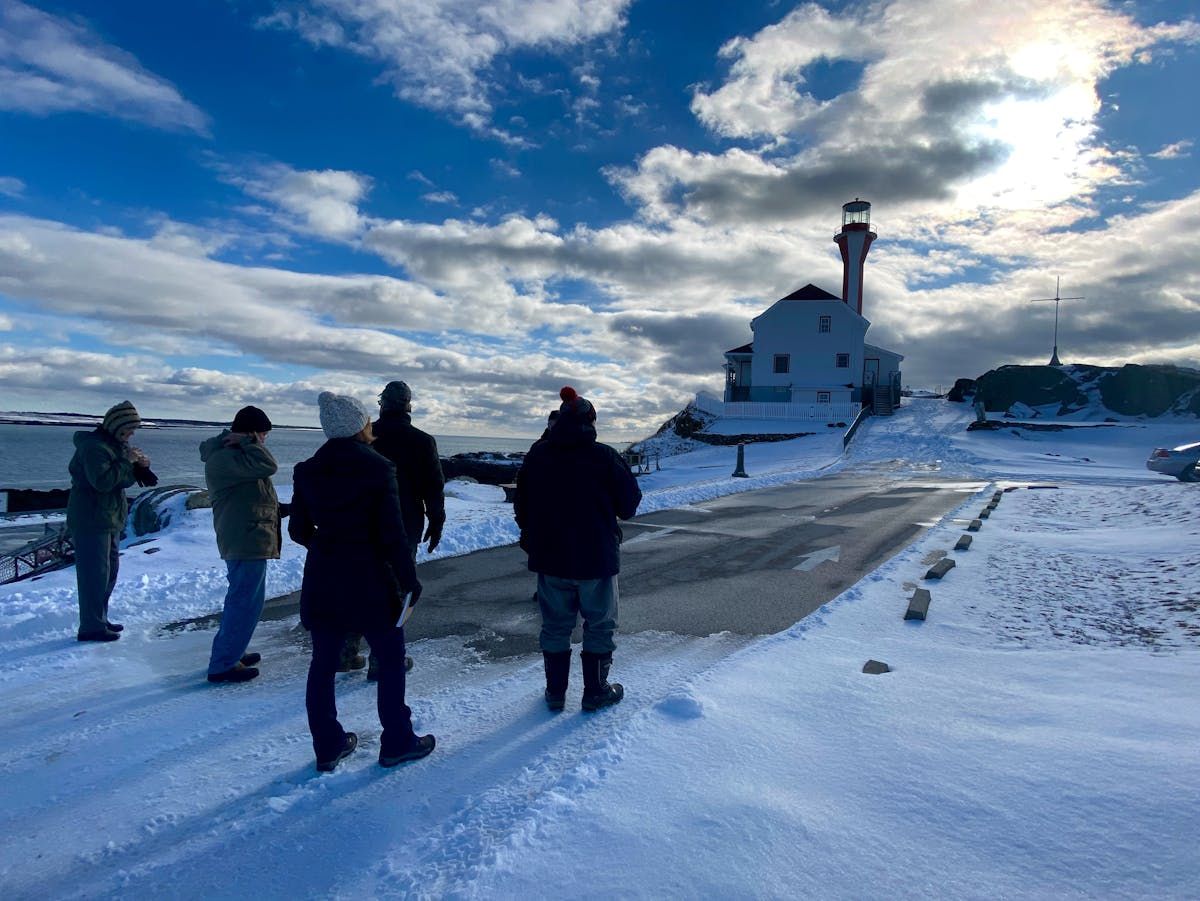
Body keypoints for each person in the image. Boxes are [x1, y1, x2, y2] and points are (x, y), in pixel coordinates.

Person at [289, 391, 435, 773]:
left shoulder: (307, 470)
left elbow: (298, 529)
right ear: (360, 424)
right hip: (371, 577)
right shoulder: (378, 468)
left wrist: (329, 546)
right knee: (389, 660)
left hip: (324, 576)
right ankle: (398, 741)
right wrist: (409, 580)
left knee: (322, 664)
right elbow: (392, 535)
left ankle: (328, 744)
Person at [514, 386, 642, 712]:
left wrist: (531, 536)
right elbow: (629, 505)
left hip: (550, 557)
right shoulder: (605, 457)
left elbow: (521, 504)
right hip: (595, 558)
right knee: (600, 624)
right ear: (592, 422)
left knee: (555, 625)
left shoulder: (538, 454)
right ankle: (595, 690)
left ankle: (555, 692)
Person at [342, 379, 446, 681]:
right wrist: (437, 521)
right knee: (396, 592)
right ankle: (383, 659)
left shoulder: (364, 436)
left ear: (382, 404)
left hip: (363, 524)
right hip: (405, 526)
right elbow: (434, 487)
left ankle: (346, 651)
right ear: (408, 405)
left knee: (360, 587)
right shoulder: (422, 441)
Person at [199, 405, 281, 684]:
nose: (264, 441)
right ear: (252, 434)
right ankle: (223, 662)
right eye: (263, 435)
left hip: (249, 533)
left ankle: (233, 651)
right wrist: (249, 442)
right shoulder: (225, 458)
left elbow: (254, 492)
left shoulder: (235, 455)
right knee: (244, 601)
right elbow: (269, 465)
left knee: (245, 598)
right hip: (244, 537)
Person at [66, 400, 147, 642]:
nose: (131, 434)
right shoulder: (94, 448)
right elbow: (102, 481)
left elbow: (121, 480)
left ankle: (99, 618)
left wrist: (139, 466)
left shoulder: (114, 445)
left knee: (108, 572)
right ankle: (91, 626)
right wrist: (128, 462)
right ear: (115, 426)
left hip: (108, 517)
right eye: (128, 429)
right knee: (94, 574)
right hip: (92, 518)